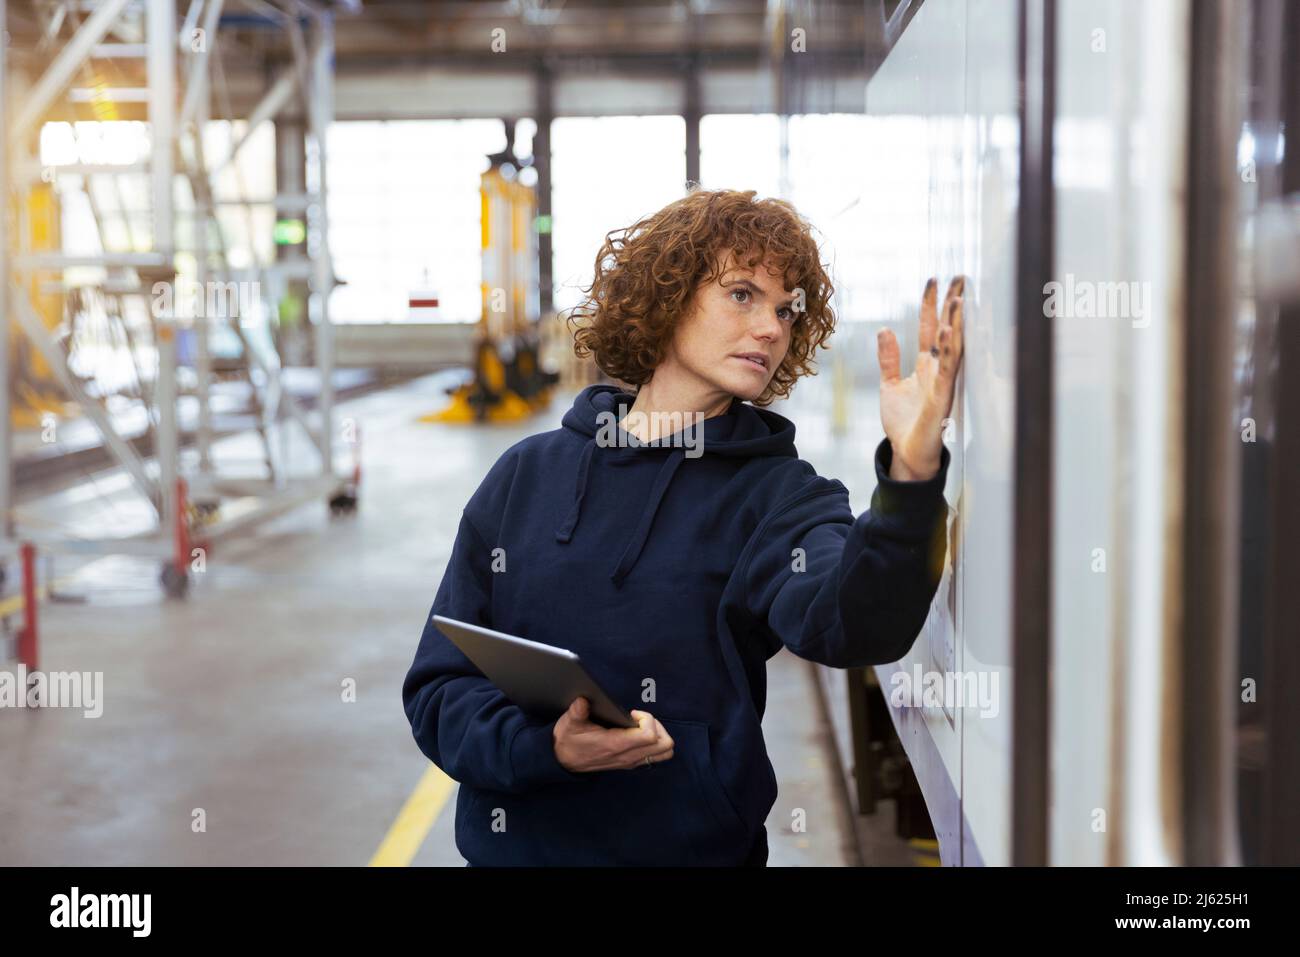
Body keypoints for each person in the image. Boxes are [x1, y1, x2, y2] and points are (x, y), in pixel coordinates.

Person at [402, 188, 965, 866]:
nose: (770, 328)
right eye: (742, 295)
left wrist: (911, 471)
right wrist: (545, 747)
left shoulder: (778, 495)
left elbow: (851, 622)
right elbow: (440, 689)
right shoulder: (526, 476)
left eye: (786, 309)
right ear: (666, 297)